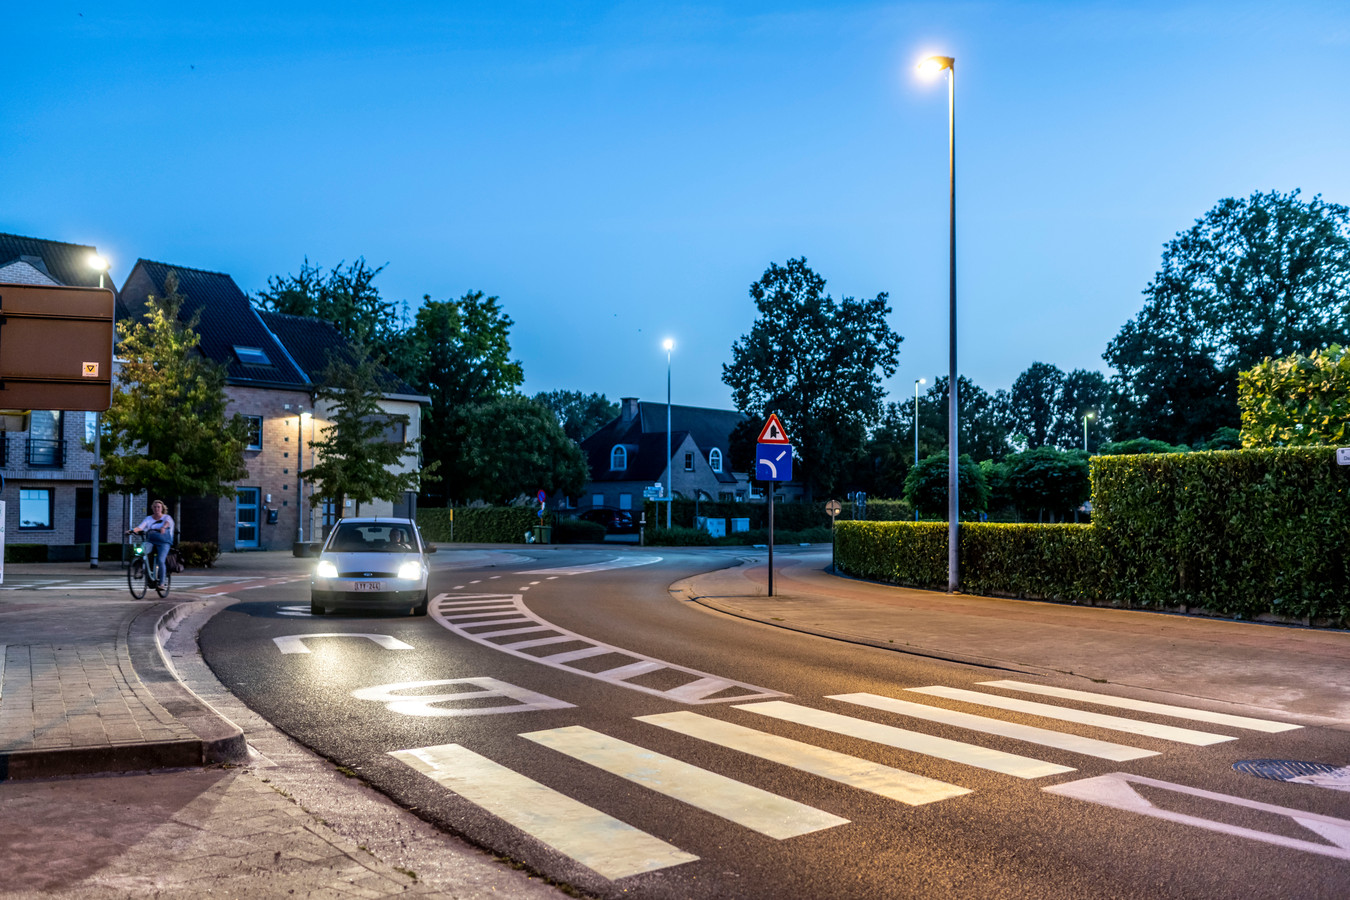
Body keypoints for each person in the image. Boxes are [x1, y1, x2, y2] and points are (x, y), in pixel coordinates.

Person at [130, 500, 175, 587]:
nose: (156, 508)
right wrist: (131, 530)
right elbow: (140, 527)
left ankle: (161, 583)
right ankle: (140, 569)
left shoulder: (167, 517)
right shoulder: (148, 518)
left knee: (161, 560)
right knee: (141, 551)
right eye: (155, 507)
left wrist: (163, 527)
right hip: (151, 541)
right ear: (152, 508)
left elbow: (167, 523)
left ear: (162, 508)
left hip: (164, 543)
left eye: (158, 507)